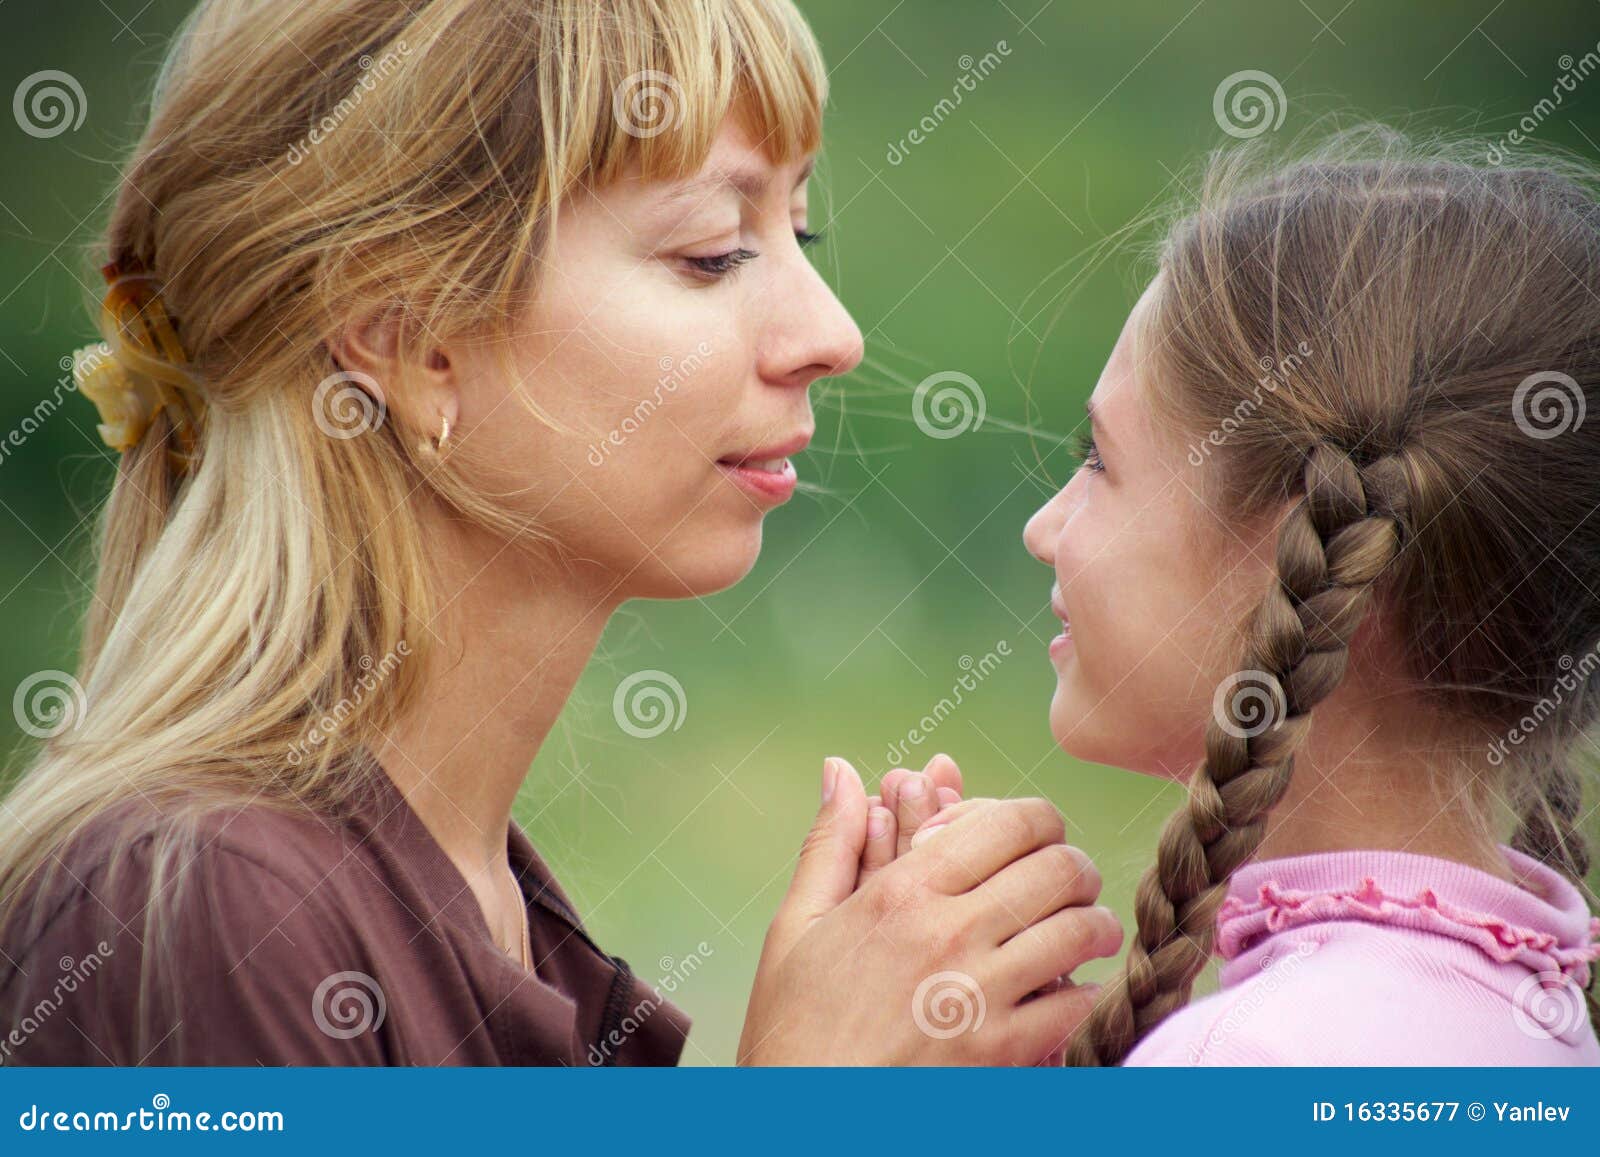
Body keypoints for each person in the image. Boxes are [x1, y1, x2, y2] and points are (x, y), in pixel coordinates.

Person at [0, 0, 1120, 1066]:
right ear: (405, 336)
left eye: (801, 225)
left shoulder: (476, 903)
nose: (832, 333)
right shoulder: (198, 906)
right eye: (713, 251)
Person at [946, 128, 1600, 1065]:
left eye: (1099, 461)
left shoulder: (1248, 1059)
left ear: (1301, 538)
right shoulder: (1532, 1020)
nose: (1042, 529)